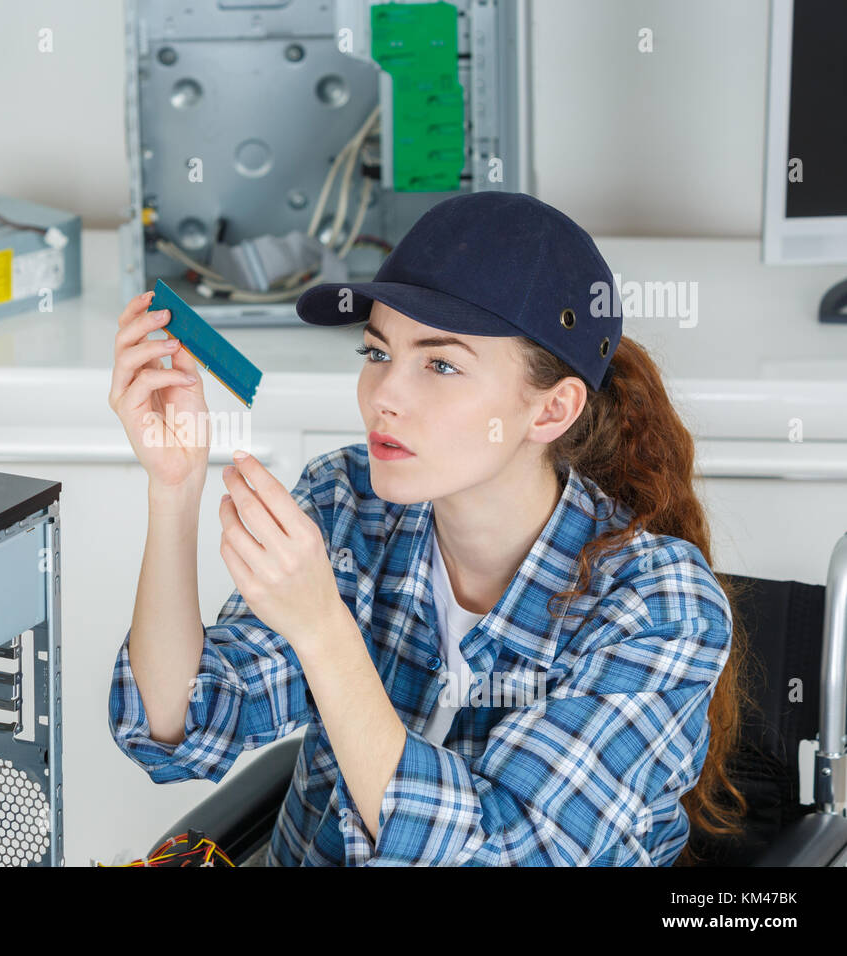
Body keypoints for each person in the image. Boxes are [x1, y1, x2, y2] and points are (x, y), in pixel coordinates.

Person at [105, 190, 752, 866]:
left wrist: (325, 631)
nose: (385, 395)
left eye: (440, 365)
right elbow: (183, 721)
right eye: (378, 353)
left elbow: (497, 856)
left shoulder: (660, 608)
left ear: (552, 410)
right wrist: (174, 489)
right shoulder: (348, 502)